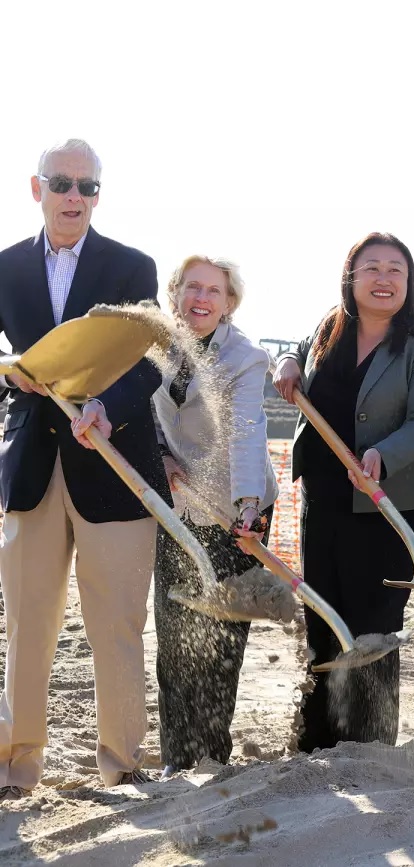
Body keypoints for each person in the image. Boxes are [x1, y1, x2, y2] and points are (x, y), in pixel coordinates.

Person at [0, 139, 166, 795]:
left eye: (88, 187)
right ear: (36, 188)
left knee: (118, 625)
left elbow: (153, 358)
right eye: (62, 183)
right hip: (31, 467)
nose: (75, 197)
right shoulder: (6, 267)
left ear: (99, 195)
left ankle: (121, 765)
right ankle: (16, 765)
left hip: (115, 463)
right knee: (27, 622)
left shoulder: (133, 267)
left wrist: (106, 406)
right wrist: (15, 374)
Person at [273, 233, 414, 751]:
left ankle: (370, 745)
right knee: (323, 615)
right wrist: (287, 363)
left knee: (372, 627)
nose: (383, 278)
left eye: (396, 269)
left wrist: (384, 456)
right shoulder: (331, 324)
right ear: (351, 278)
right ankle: (319, 739)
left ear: (409, 282)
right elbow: (302, 354)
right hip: (323, 496)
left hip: (385, 503)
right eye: (371, 267)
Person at [152, 255, 279, 777]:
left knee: (221, 638)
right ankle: (177, 759)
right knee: (175, 630)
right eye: (192, 287)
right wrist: (157, 451)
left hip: (236, 507)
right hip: (177, 503)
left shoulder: (246, 358)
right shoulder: (151, 345)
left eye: (214, 291)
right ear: (175, 293)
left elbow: (248, 433)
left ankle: (210, 756)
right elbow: (144, 411)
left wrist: (249, 504)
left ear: (229, 304)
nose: (201, 299)